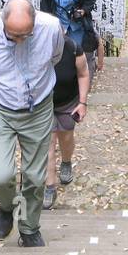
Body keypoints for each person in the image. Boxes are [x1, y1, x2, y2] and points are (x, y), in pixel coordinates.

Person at [0, 0, 65, 247]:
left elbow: (55, 58)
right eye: (13, 36)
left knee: (34, 175)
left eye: (26, 35)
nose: (20, 40)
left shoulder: (52, 28)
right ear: (3, 23)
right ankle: (7, 205)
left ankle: (29, 227)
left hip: (38, 106)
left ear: (35, 23)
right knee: (2, 175)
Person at [44, 32, 90, 209]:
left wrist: (82, 102)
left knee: (66, 137)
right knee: (48, 144)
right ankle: (50, 186)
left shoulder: (72, 48)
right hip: (44, 103)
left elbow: (83, 74)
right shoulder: (36, 46)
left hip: (68, 101)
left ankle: (66, 161)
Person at [41, 0, 103, 80]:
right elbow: (45, 6)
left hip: (78, 24)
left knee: (80, 54)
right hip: (59, 24)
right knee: (62, 56)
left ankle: (82, 83)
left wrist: (83, 10)